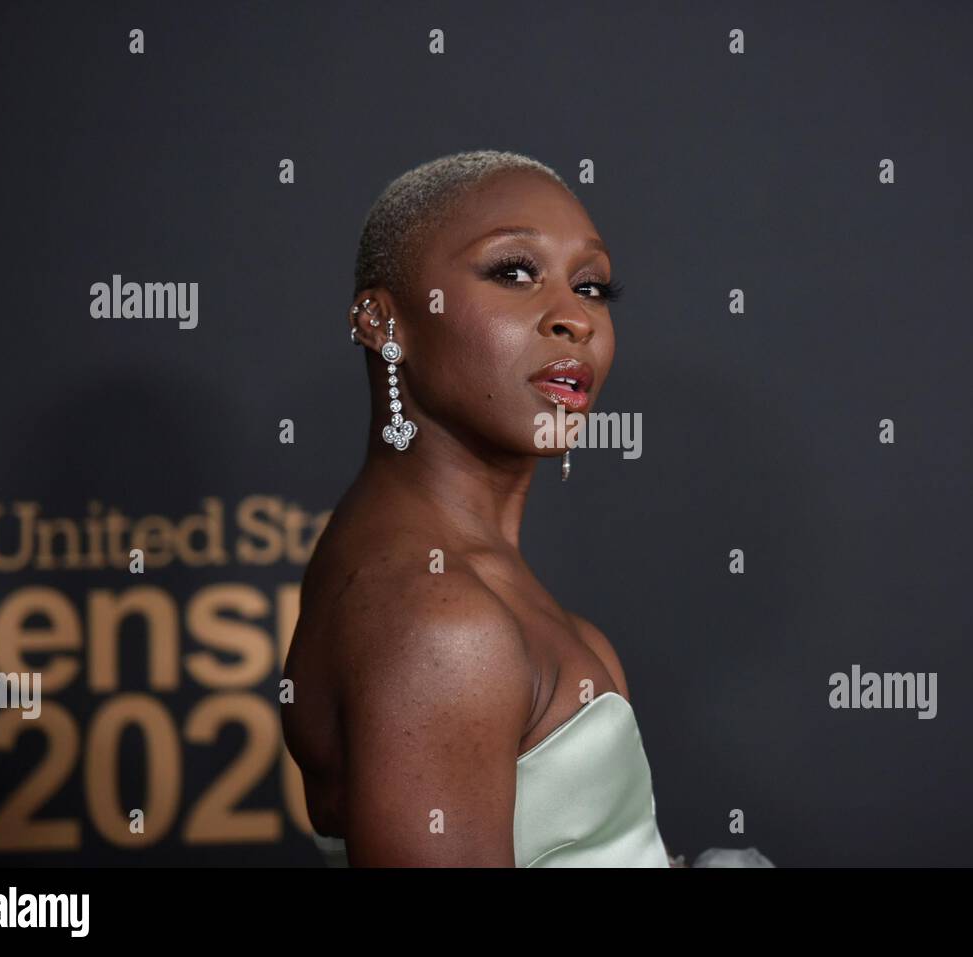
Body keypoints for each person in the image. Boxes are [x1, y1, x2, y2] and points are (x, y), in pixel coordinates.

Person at [281, 149, 680, 867]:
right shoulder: (436, 619)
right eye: (513, 272)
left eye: (592, 286)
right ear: (381, 319)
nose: (574, 319)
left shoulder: (455, 577)